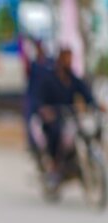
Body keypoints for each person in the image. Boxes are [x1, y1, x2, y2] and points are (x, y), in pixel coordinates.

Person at [36, 45, 101, 183]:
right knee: (56, 132)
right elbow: (39, 99)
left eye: (70, 58)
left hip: (70, 116)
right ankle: (53, 164)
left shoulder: (73, 79)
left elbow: (86, 94)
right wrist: (46, 110)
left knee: (85, 131)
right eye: (66, 58)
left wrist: (96, 105)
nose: (69, 61)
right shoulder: (49, 79)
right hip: (54, 118)